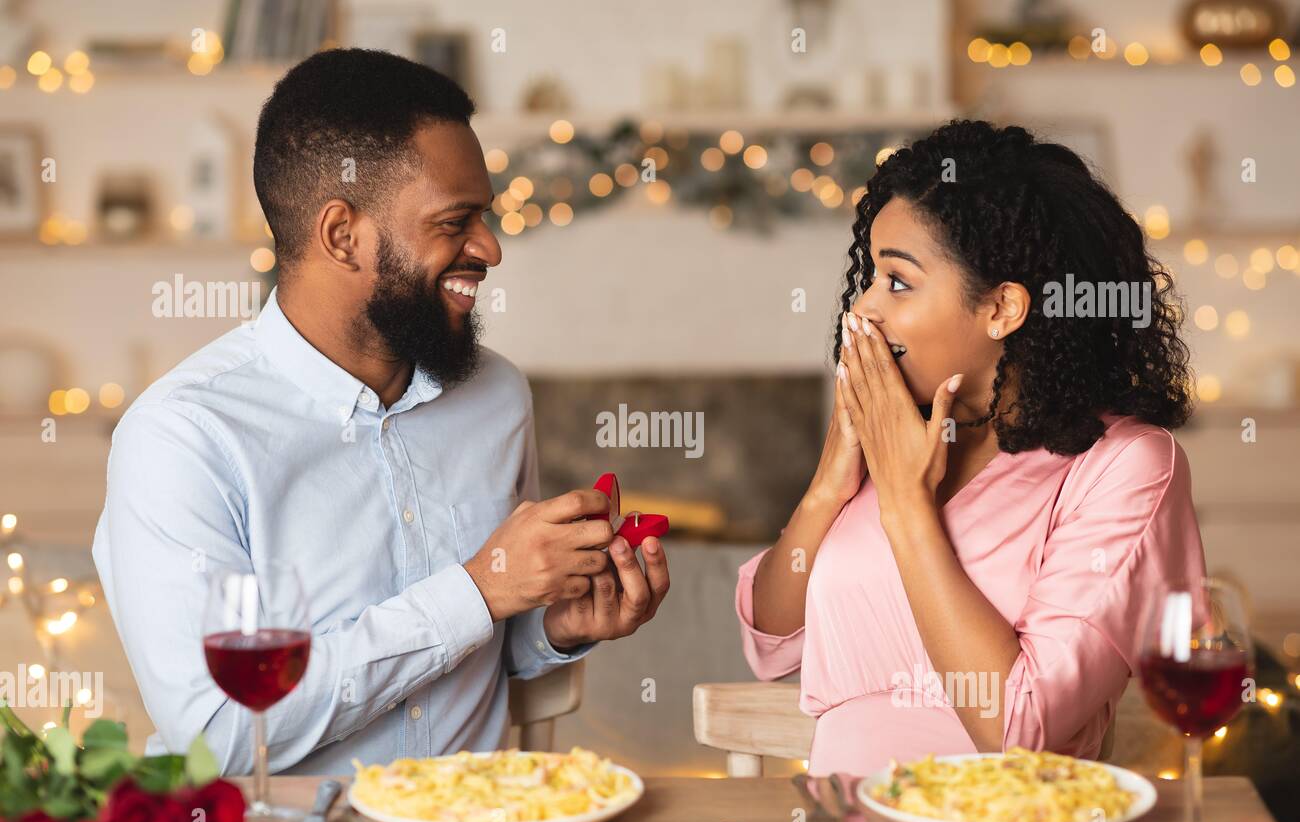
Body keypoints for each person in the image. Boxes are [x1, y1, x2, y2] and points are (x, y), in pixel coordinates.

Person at [93, 49, 669, 775]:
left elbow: (480, 640)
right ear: (342, 235)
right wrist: (478, 585)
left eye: (484, 217)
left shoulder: (497, 396)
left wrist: (553, 627)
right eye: (456, 222)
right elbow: (223, 736)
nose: (489, 248)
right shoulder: (183, 437)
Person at [736, 120, 1205, 775]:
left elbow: (1021, 726)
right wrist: (829, 484)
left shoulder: (1125, 466)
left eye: (897, 281)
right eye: (871, 276)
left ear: (1002, 309)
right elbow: (770, 641)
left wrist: (905, 500)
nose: (863, 309)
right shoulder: (909, 425)